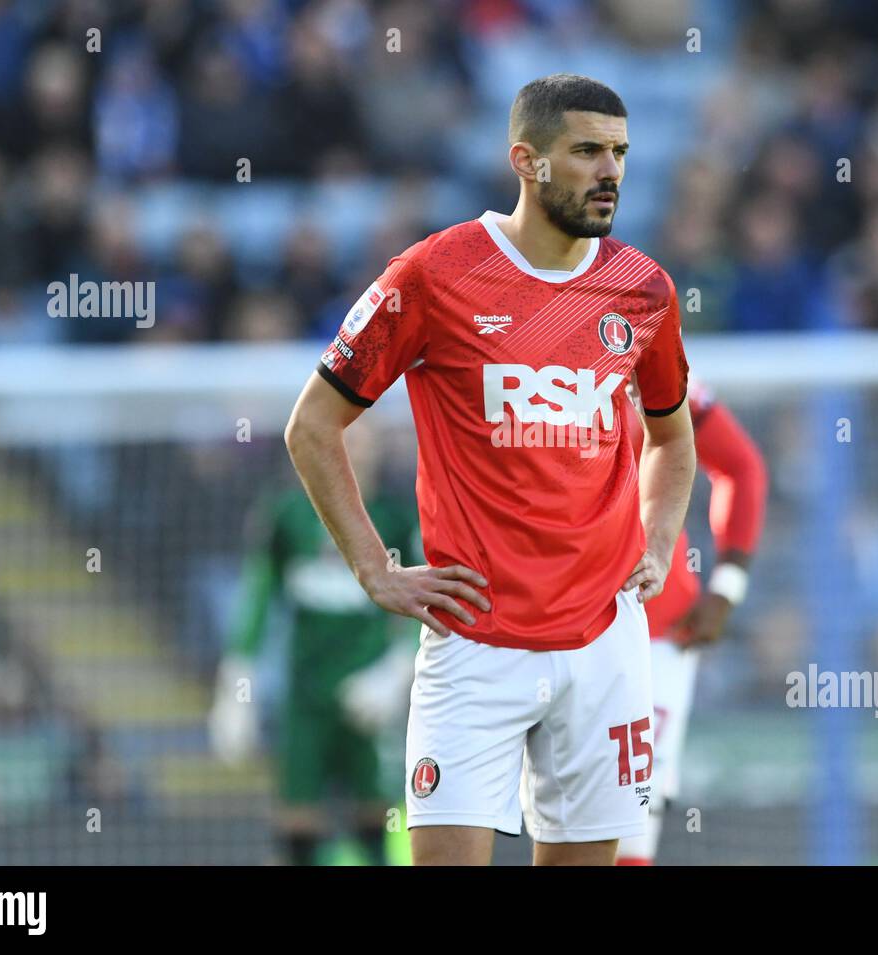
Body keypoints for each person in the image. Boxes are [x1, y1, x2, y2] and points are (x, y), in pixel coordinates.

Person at [283, 73, 695, 865]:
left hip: (605, 641)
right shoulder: (435, 274)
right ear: (526, 161)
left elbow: (674, 440)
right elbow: (313, 426)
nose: (609, 171)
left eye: (619, 153)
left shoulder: (642, 290)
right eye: (585, 152)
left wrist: (659, 539)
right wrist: (376, 570)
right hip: (474, 640)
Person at [209, 420, 420, 865]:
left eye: (366, 435)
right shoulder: (287, 514)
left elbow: (425, 608)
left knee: (380, 814)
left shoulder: (399, 519)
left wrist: (395, 674)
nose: (356, 447)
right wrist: (236, 684)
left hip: (369, 693)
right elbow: (259, 599)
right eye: (345, 433)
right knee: (296, 817)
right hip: (305, 694)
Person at [616, 380, 768, 865]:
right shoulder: (520, 357)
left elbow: (741, 467)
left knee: (633, 819)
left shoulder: (645, 360)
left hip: (654, 630)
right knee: (554, 815)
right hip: (543, 626)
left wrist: (726, 588)